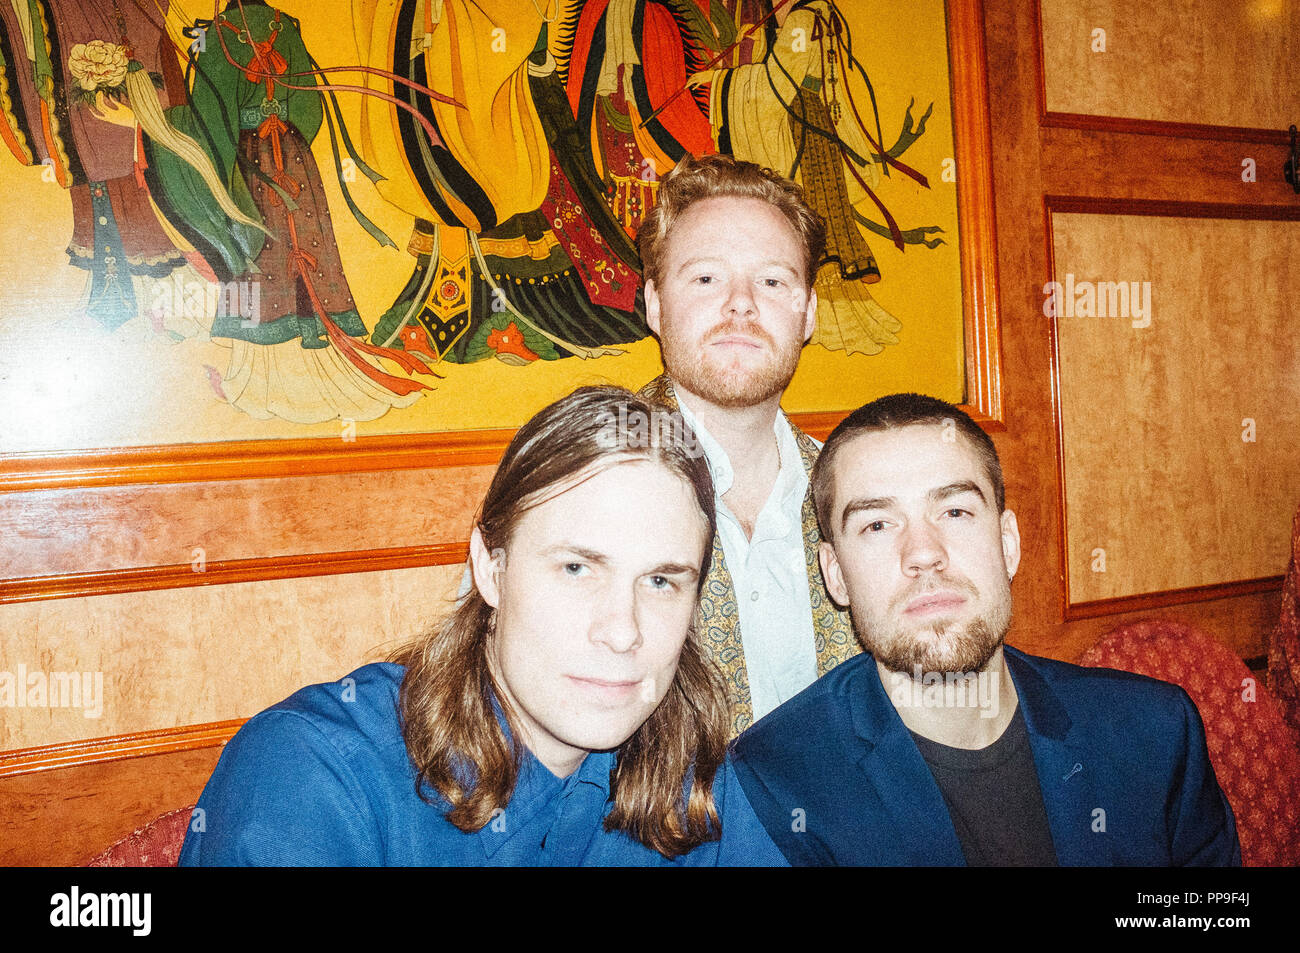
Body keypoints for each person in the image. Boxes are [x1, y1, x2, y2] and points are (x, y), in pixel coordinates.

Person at [180, 385, 784, 865]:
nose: (623, 631)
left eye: (661, 581)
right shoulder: (314, 774)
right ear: (489, 569)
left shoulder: (697, 787)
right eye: (577, 567)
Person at [729, 393, 1241, 865]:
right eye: (877, 525)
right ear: (836, 575)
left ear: (1008, 542)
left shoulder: (1151, 731)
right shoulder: (775, 781)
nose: (924, 553)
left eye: (954, 510)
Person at [637, 153, 859, 737]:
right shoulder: (569, 481)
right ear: (655, 305)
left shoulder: (861, 495)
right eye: (706, 278)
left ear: (807, 312)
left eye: (771, 280)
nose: (741, 303)